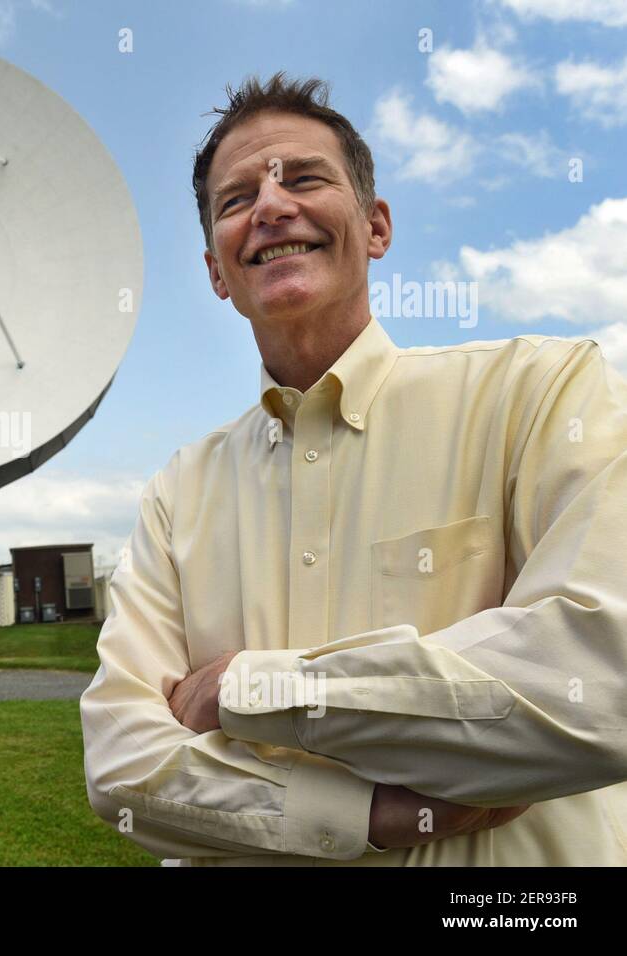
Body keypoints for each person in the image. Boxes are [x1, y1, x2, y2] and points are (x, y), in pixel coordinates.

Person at [81, 73, 627, 865]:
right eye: (235, 200)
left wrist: (250, 691)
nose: (270, 206)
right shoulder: (179, 493)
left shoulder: (542, 394)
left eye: (303, 178)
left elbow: (598, 683)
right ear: (214, 271)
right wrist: (370, 812)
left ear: (376, 227)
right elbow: (122, 769)